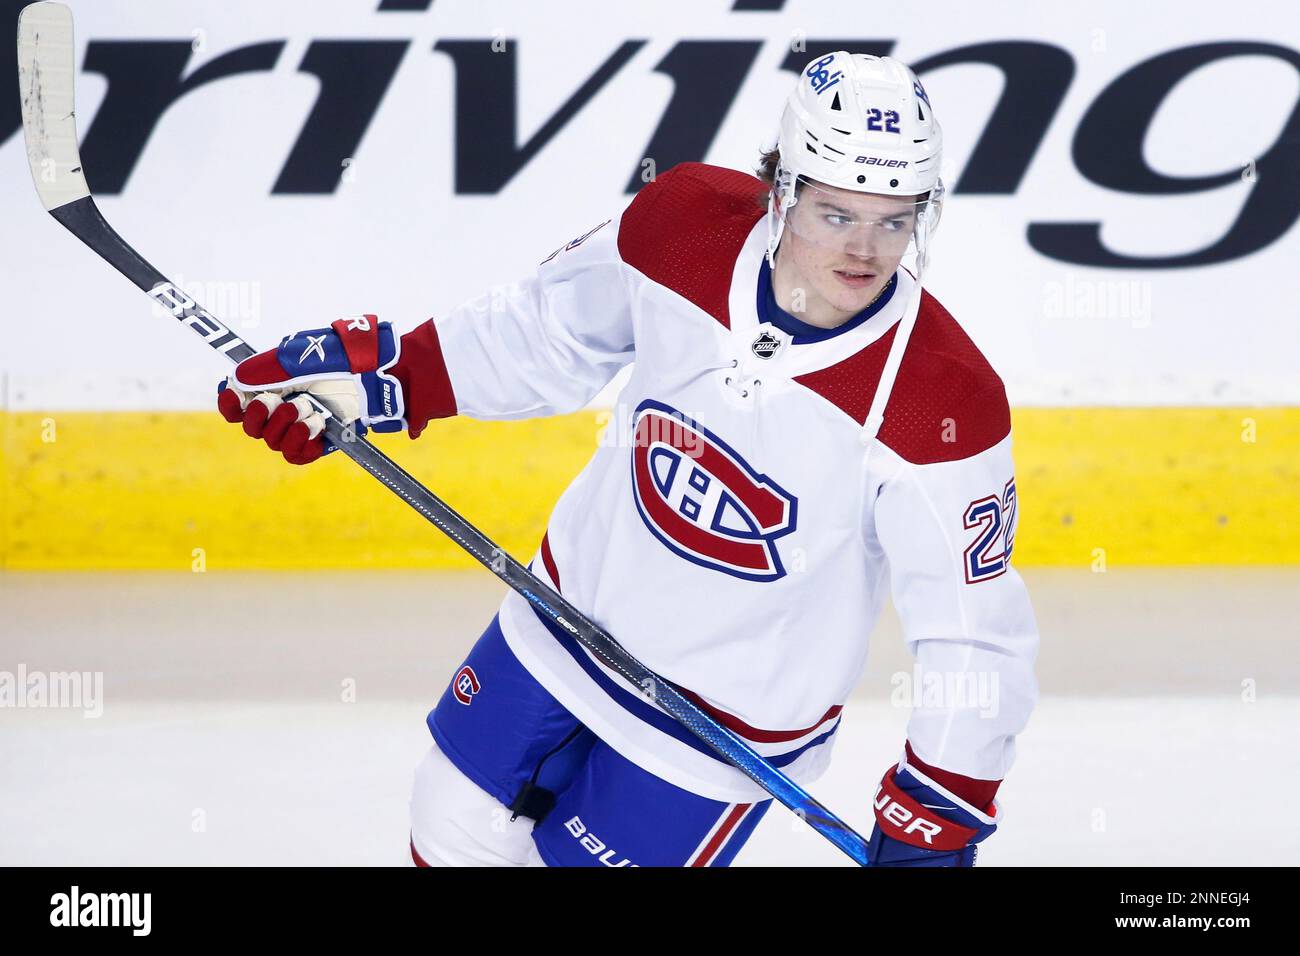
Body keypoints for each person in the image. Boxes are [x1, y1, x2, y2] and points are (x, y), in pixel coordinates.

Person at [217, 52, 1039, 867]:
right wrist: (390, 382)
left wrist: (942, 799)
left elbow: (972, 630)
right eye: (836, 215)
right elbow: (546, 335)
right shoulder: (683, 226)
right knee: (446, 830)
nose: (865, 250)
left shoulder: (943, 400)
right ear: (783, 189)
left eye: (895, 221)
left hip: (716, 731)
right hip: (560, 627)